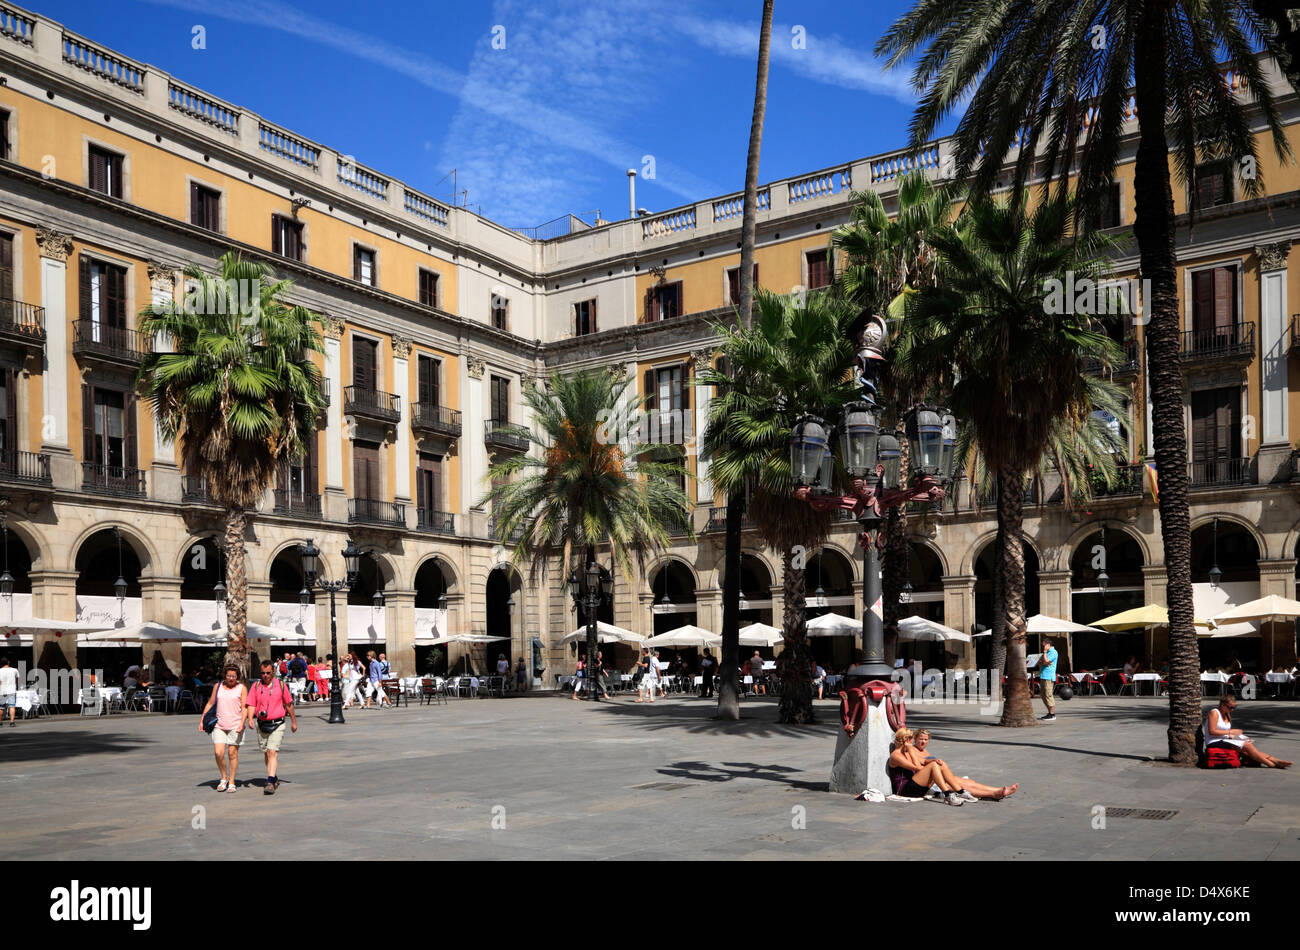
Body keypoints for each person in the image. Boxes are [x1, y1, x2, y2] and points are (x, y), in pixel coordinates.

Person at [910, 728, 1018, 799]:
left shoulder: (925, 751)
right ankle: (993, 794)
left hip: (937, 777)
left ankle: (998, 789)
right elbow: (919, 766)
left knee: (968, 781)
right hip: (927, 782)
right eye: (921, 739)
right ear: (915, 739)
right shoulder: (913, 750)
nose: (923, 742)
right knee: (961, 785)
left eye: (926, 739)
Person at [245, 660, 298, 795]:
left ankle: (269, 782)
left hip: (278, 723)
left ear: (273, 672)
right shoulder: (256, 686)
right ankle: (273, 777)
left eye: (268, 673)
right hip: (262, 723)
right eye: (263, 673)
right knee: (266, 753)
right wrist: (250, 718)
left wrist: (293, 721)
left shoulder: (280, 685)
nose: (265, 675)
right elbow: (251, 703)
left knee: (272, 751)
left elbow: (289, 704)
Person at [1205, 694, 1291, 767]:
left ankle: (1275, 760)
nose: (1232, 710)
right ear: (1223, 705)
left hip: (1224, 739)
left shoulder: (1227, 714)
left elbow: (1227, 734)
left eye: (1234, 707)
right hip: (1214, 741)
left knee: (1248, 747)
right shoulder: (1214, 712)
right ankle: (1272, 764)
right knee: (1247, 746)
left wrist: (1239, 737)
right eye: (1230, 707)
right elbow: (1212, 731)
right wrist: (1231, 732)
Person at [887, 729, 969, 805]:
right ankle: (947, 795)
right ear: (907, 740)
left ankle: (961, 792)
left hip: (915, 787)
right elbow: (918, 767)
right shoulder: (896, 755)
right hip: (904, 790)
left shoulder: (905, 753)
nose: (913, 742)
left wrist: (935, 760)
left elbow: (923, 761)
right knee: (933, 766)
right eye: (912, 739)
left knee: (938, 764)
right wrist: (911, 750)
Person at [199, 664, 247, 792]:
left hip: (235, 725)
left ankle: (231, 781)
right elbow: (210, 703)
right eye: (229, 675)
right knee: (218, 753)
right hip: (219, 725)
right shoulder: (218, 686)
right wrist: (202, 720)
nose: (231, 678)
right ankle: (223, 777)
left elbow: (244, 707)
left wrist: (242, 723)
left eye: (234, 676)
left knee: (232, 753)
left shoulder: (241, 688)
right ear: (225, 675)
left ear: (237, 677)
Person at [1038, 636, 1059, 722]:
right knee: (1043, 695)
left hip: (1048, 676)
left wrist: (1045, 652)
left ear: (1048, 644)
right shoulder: (1046, 653)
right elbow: (1041, 662)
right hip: (1043, 675)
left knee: (1048, 695)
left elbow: (1046, 662)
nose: (1043, 647)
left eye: (1043, 645)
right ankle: (1049, 712)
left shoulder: (1053, 652)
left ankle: (1052, 714)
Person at [0, 656, 17, 727]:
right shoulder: (14, 670)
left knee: (1, 707)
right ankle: (12, 722)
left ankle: (0, 722)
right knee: (12, 706)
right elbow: (16, 680)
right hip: (12, 690)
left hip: (2, 691)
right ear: (8, 662)